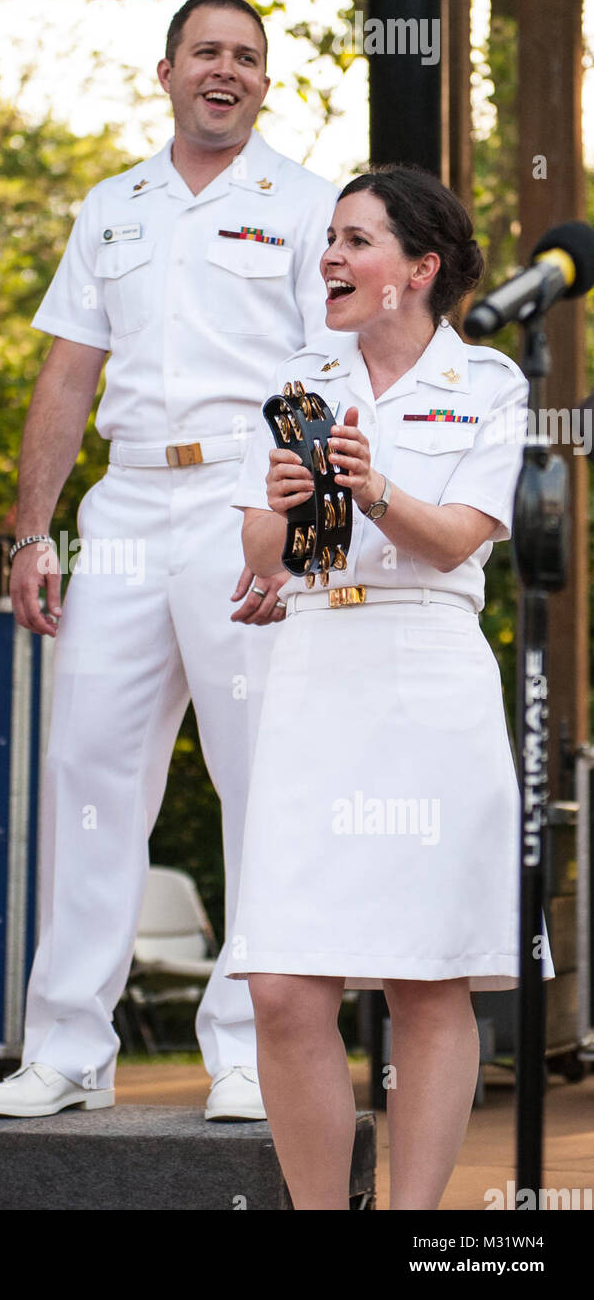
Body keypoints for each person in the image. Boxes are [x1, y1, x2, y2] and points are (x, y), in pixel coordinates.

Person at [0, 0, 336, 1122]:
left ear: (263, 84)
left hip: (246, 490)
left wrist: (289, 521)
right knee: (86, 774)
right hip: (124, 499)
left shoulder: (309, 202)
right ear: (165, 71)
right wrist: (36, 530)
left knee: (255, 782)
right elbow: (67, 375)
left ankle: (243, 1048)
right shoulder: (110, 205)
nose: (223, 72)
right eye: (205, 54)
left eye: (245, 58)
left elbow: (321, 376)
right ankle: (71, 1047)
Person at [227, 164, 553, 1208]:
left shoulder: (490, 384)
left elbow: (459, 538)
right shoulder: (295, 382)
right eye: (328, 237)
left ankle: (413, 1226)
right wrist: (283, 508)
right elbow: (263, 553)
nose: (329, 254)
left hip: (429, 677)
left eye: (356, 239)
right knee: (280, 981)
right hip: (315, 671)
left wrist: (375, 488)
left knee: (426, 974)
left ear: (417, 269)